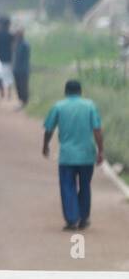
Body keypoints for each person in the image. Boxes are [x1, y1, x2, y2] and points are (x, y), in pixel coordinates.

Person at [43, 80, 104, 231]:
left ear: (66, 92)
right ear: (80, 91)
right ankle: (83, 218)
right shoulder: (90, 106)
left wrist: (45, 145)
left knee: (67, 186)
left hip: (67, 156)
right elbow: (97, 130)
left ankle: (72, 219)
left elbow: (49, 128)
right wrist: (100, 150)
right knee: (85, 186)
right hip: (86, 155)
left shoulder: (58, 106)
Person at [0, 16, 15, 96]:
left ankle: (2, 92)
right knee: (9, 76)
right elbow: (13, 48)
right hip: (8, 58)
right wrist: (13, 59)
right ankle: (9, 93)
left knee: (0, 75)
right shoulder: (11, 35)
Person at [12, 27, 31, 109]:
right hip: (17, 69)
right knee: (18, 86)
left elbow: (22, 57)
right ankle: (21, 100)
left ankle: (24, 101)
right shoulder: (17, 44)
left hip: (23, 69)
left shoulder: (25, 45)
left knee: (23, 86)